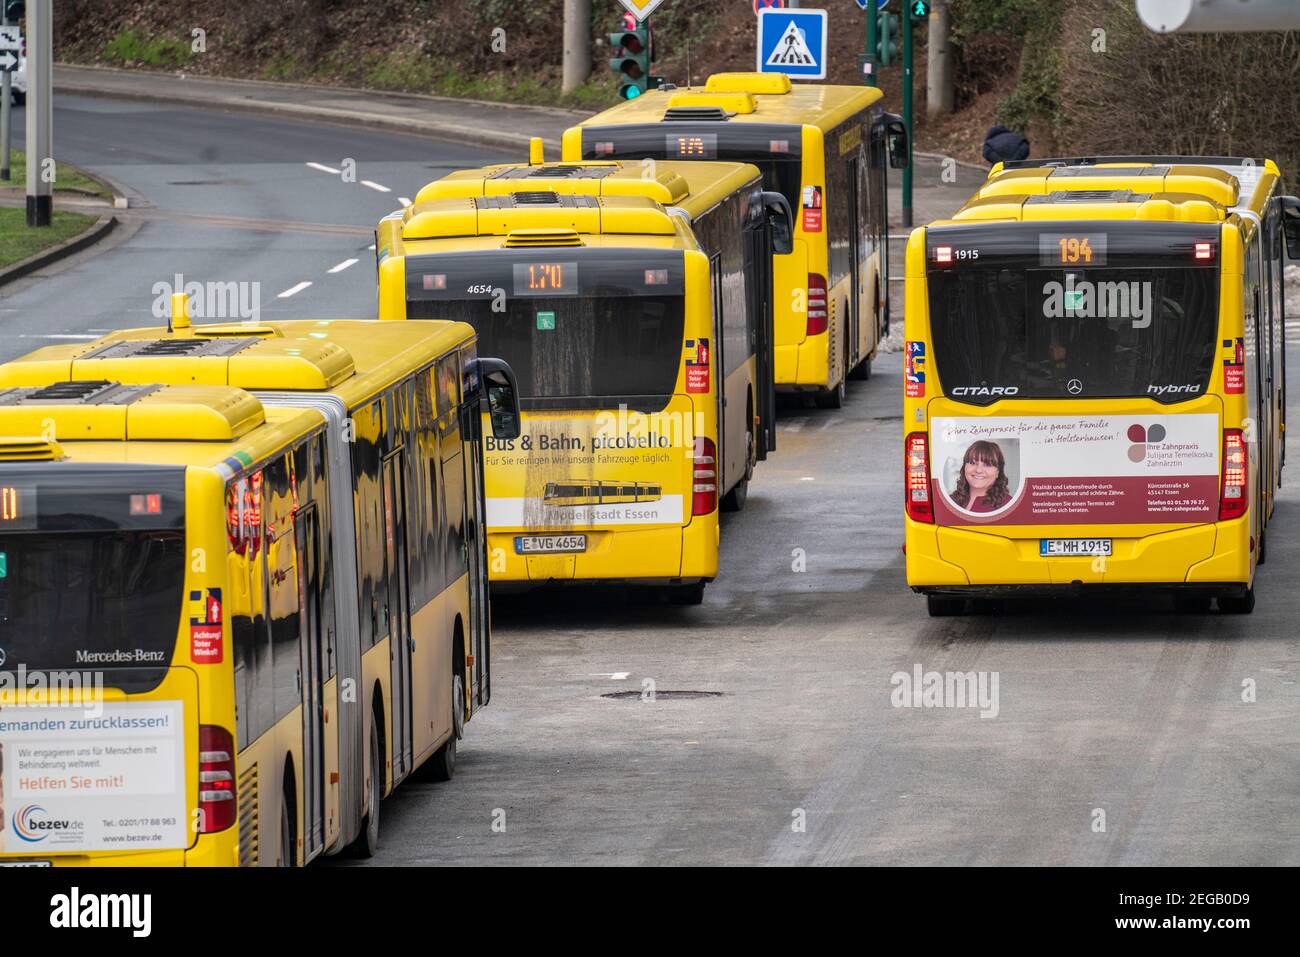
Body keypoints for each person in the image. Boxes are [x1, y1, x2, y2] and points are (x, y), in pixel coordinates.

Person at [951, 440, 1011, 512]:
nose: (978, 470)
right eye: (972, 463)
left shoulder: (1009, 505)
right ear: (964, 467)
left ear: (998, 472)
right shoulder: (950, 500)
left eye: (987, 465)